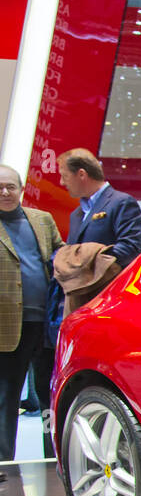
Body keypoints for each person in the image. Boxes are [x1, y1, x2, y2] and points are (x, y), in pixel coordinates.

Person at [0, 163, 62, 462]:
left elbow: (61, 255)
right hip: (7, 326)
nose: (5, 192)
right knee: (7, 397)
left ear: (21, 189)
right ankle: (3, 461)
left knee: (50, 395)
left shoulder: (42, 219)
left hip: (47, 325)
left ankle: (54, 459)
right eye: (0, 187)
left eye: (11, 186)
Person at [58, 149, 141, 267]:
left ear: (81, 174)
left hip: (111, 283)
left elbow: (129, 249)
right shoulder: (76, 214)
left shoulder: (121, 203)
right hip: (79, 285)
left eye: (65, 176)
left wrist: (89, 258)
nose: (61, 182)